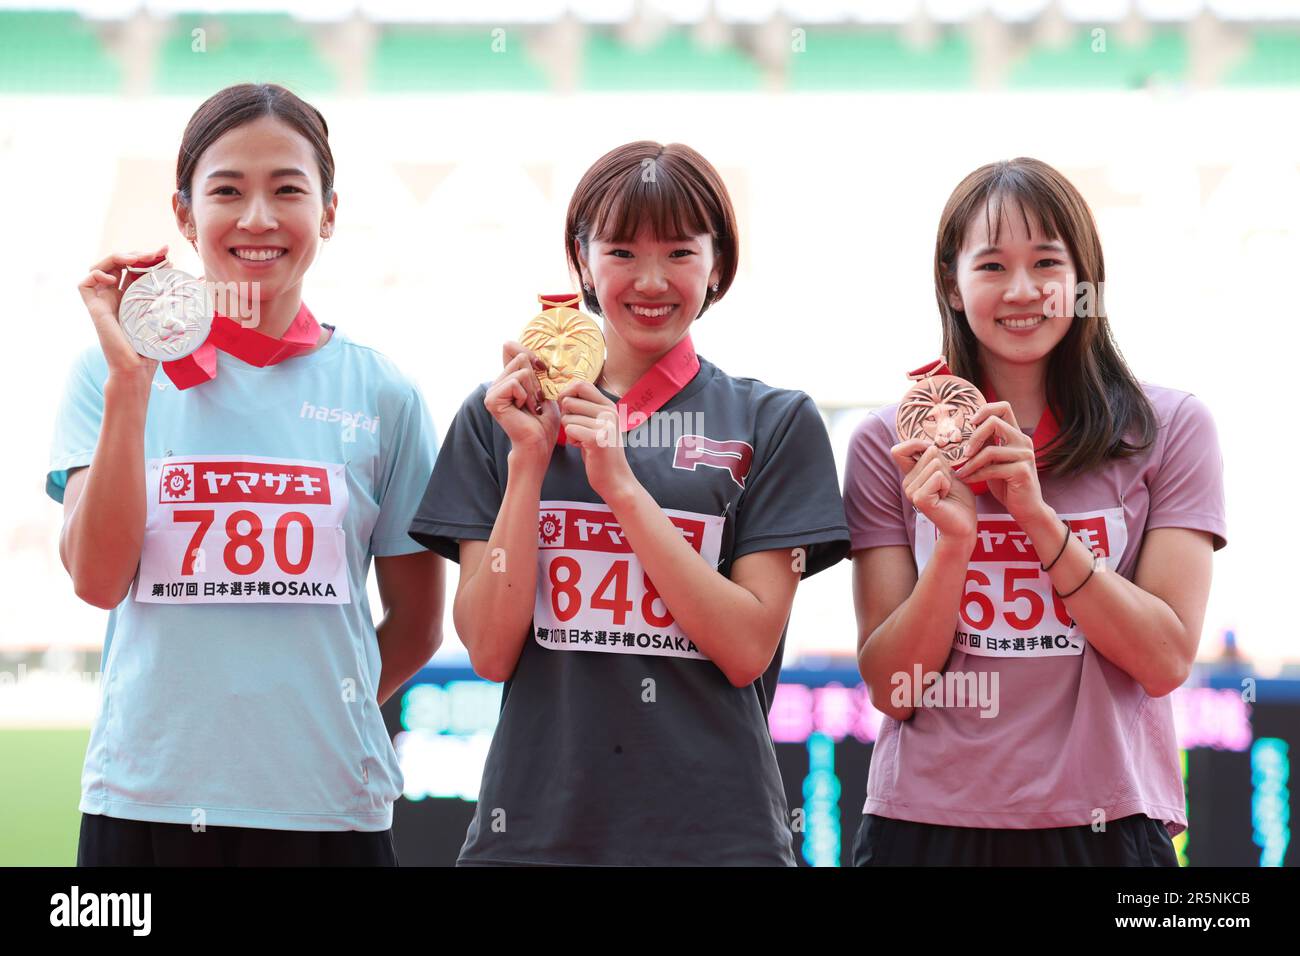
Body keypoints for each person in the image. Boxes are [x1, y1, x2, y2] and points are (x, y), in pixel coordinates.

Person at [409, 141, 850, 865]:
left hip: (719, 842)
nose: (651, 280)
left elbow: (745, 649)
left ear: (717, 265)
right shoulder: (500, 418)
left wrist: (619, 485)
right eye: (621, 251)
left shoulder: (773, 422)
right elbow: (489, 650)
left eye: (680, 252)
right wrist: (528, 466)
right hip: (532, 839)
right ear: (582, 261)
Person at [49, 83, 443, 866]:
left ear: (329, 213)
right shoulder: (109, 373)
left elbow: (419, 623)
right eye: (227, 190)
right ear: (185, 213)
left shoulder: (382, 392)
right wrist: (134, 384)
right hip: (143, 801)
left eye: (288, 190)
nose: (258, 219)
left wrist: (313, 720)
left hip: (329, 811)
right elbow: (97, 580)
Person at [844, 157, 1227, 866]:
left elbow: (1165, 660)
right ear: (951, 287)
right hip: (925, 828)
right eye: (991, 266)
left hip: (1108, 825)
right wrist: (953, 543)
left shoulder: (1168, 429)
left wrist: (1038, 518)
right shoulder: (888, 442)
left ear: (1084, 284)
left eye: (1046, 263)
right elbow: (894, 690)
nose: (1022, 291)